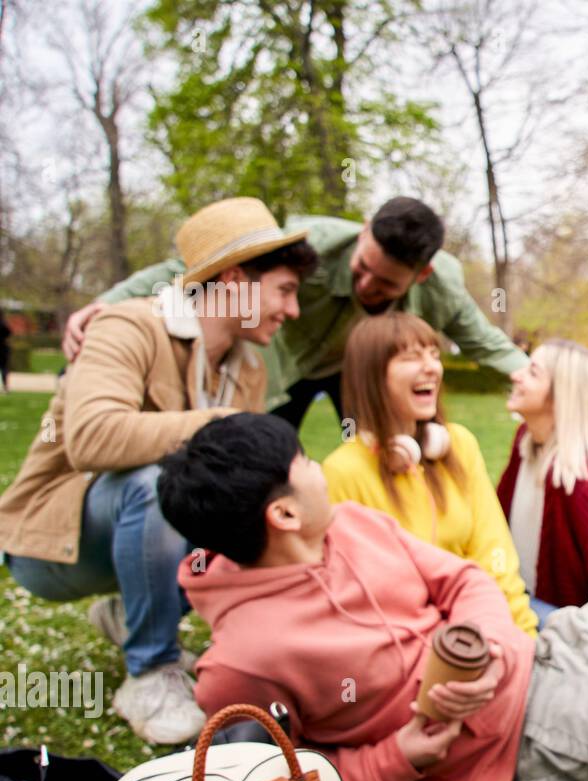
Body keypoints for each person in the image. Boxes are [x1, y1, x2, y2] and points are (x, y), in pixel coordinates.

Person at [156, 412, 588, 781]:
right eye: (304, 461)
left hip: (553, 646)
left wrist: (485, 645)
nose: (320, 468)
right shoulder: (240, 664)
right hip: (535, 731)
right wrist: (395, 758)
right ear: (284, 515)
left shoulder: (351, 522)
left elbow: (464, 578)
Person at [0, 198, 317, 744]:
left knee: (243, 497)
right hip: (52, 546)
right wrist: (220, 423)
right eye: (285, 291)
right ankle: (148, 672)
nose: (293, 310)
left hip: (136, 537)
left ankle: (134, 612)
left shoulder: (249, 370)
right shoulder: (128, 326)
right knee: (157, 484)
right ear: (236, 280)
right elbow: (91, 437)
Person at [61, 196, 528, 428]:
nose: (366, 286)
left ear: (420, 276)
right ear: (363, 231)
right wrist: (110, 300)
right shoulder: (312, 245)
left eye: (385, 284)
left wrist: (544, 379)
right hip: (283, 368)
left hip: (356, 373)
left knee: (391, 453)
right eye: (362, 268)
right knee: (260, 458)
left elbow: (484, 341)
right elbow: (201, 266)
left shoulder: (442, 283)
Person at [322, 313, 539, 637]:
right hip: (409, 652)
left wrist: (520, 636)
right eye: (411, 357)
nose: (432, 368)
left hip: (490, 630)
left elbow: (495, 553)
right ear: (372, 377)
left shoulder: (459, 445)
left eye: (435, 355)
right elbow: (356, 599)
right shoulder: (342, 473)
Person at [497, 339, 588, 627]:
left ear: (561, 397)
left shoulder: (580, 482)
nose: (515, 375)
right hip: (513, 594)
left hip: (558, 623)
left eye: (532, 372)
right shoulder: (525, 441)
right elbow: (494, 522)